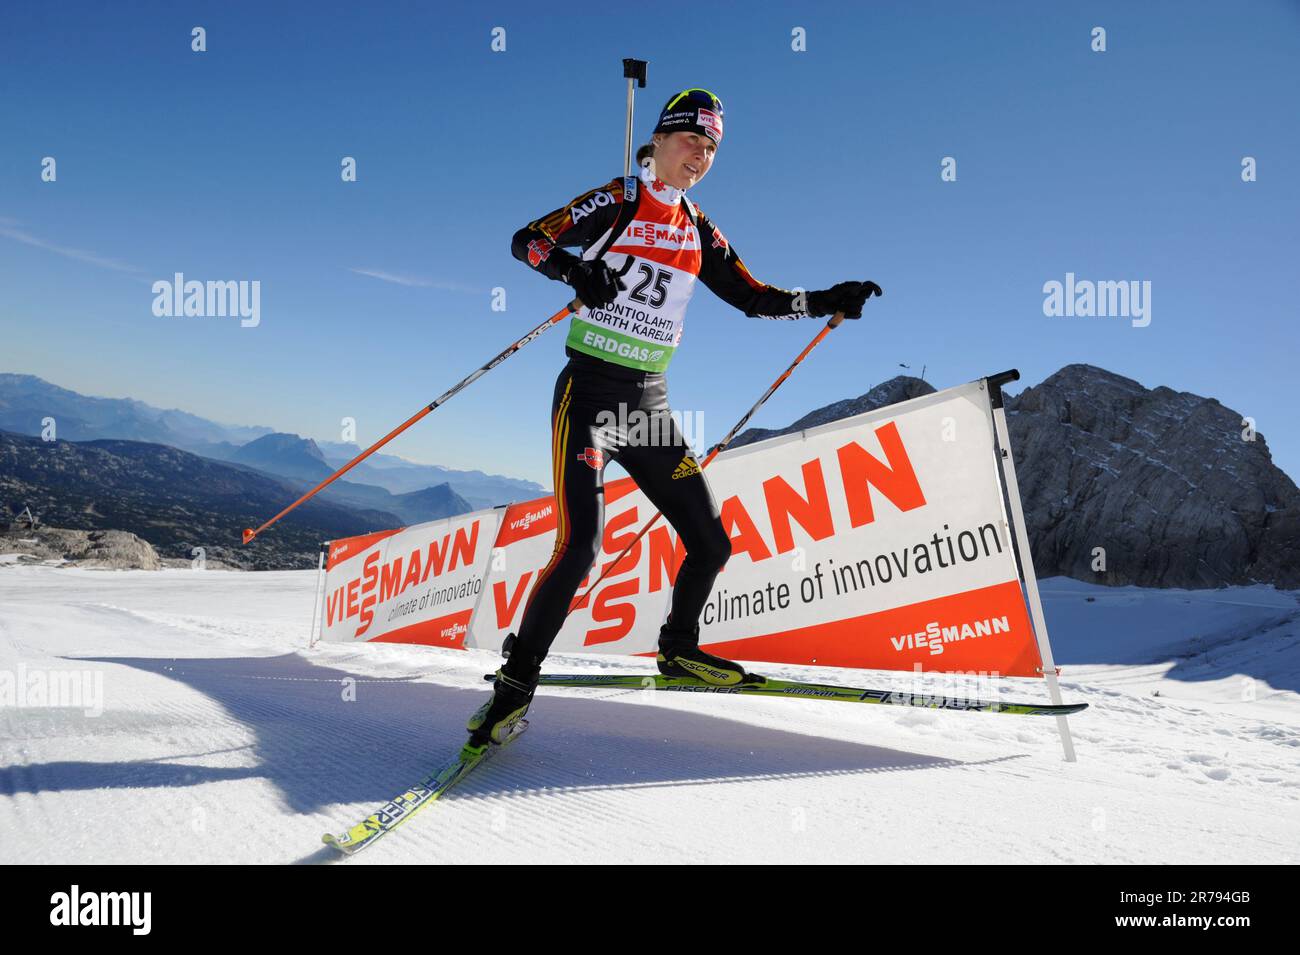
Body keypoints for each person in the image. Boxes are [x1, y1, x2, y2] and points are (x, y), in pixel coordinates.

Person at [466, 88, 882, 750]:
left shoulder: (699, 227)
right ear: (659, 140)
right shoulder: (617, 199)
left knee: (711, 541)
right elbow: (528, 240)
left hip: (648, 406)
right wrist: (573, 269)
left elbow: (754, 296)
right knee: (578, 548)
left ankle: (678, 648)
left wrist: (828, 297)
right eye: (692, 140)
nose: (701, 156)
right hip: (590, 396)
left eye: (712, 149)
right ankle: (512, 691)